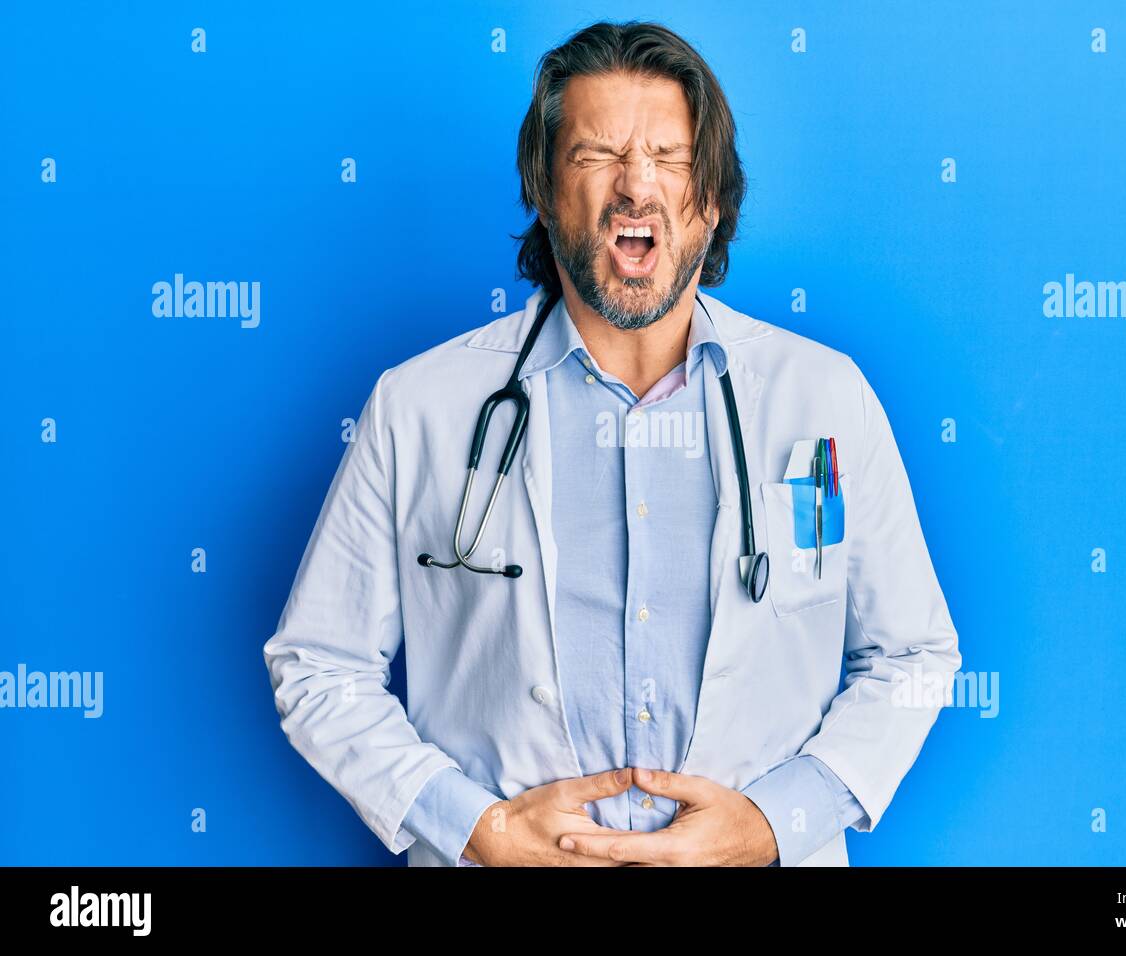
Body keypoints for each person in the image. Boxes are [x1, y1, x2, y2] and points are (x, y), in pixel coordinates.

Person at [263, 20, 960, 868]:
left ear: (711, 199)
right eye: (596, 155)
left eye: (670, 158)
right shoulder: (420, 406)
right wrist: (478, 830)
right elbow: (317, 667)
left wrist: (774, 823)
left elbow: (914, 655)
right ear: (547, 192)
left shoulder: (824, 399)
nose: (637, 186)